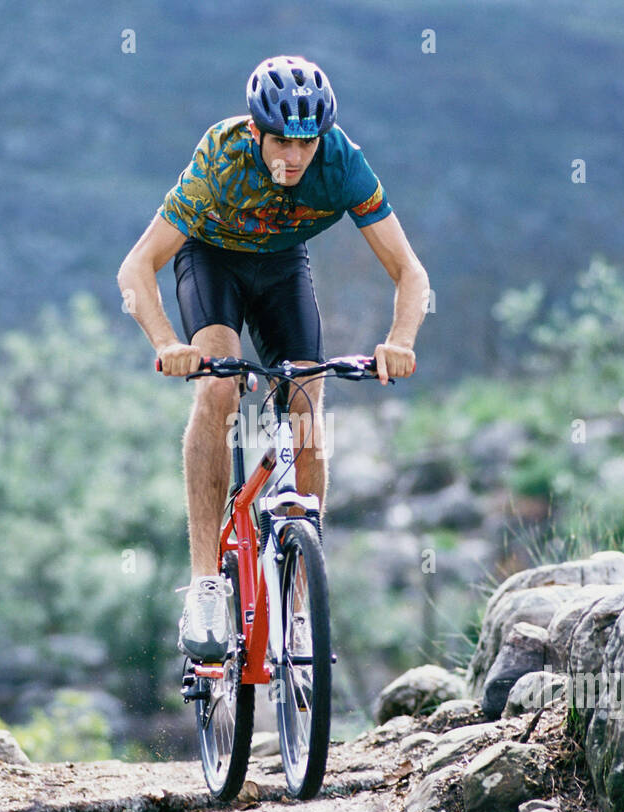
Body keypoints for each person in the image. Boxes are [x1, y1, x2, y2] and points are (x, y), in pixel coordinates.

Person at [116, 55, 429, 662]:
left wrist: (402, 340)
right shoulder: (221, 156)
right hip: (212, 264)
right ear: (256, 131)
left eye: (305, 142)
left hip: (284, 268)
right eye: (281, 140)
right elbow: (136, 267)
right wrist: (166, 344)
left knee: (309, 404)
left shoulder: (341, 163)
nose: (294, 155)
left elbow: (409, 272)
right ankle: (207, 582)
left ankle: (301, 607)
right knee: (220, 390)